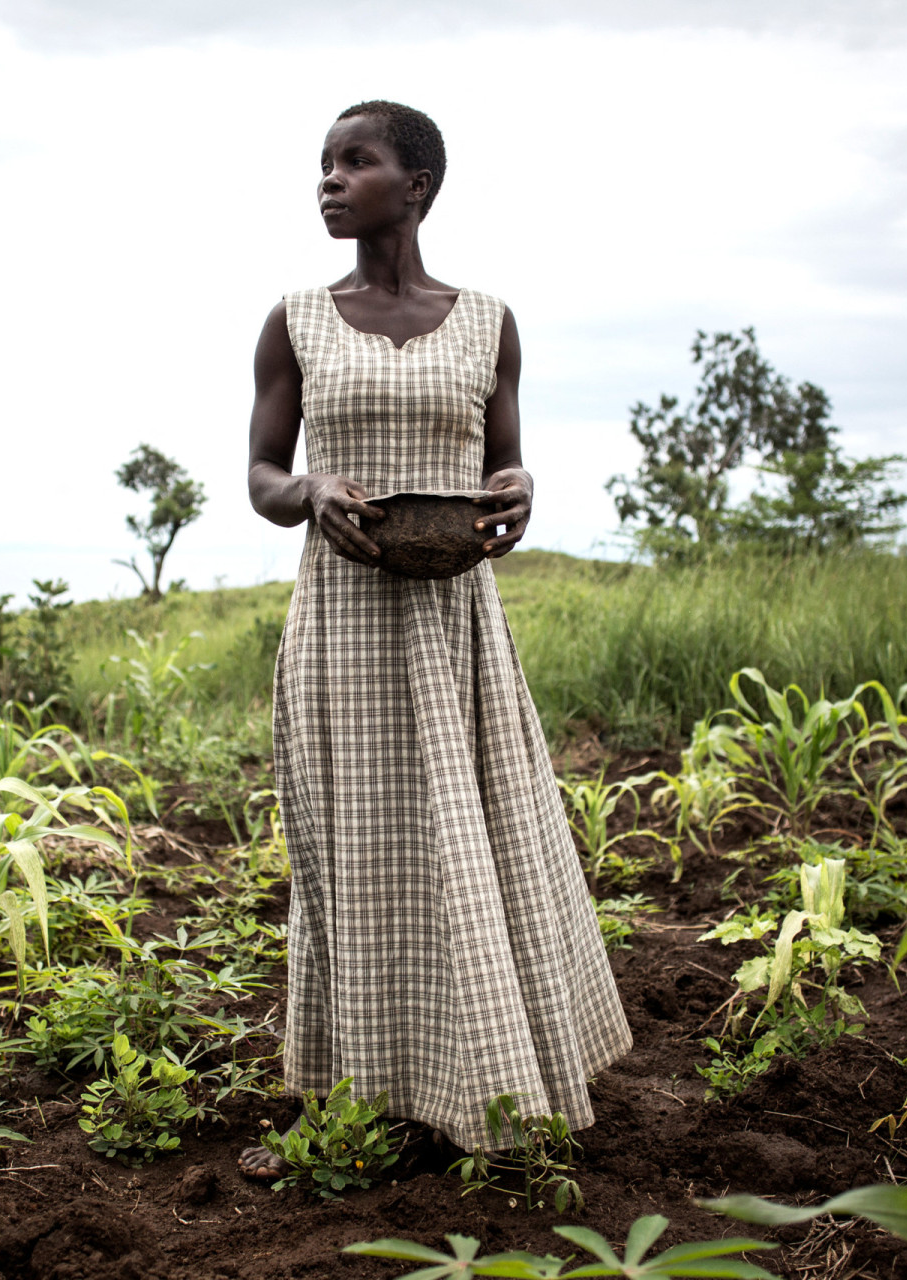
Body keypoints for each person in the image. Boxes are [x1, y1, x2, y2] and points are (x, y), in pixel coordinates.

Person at [239, 100, 631, 1176]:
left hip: (456, 619)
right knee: (364, 853)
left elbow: (505, 466)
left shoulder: (489, 321)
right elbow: (263, 474)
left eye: (353, 161)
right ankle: (370, 1094)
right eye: (321, 164)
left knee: (472, 842)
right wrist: (311, 485)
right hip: (345, 620)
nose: (328, 179)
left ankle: (488, 1082)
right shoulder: (295, 321)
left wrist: (520, 490)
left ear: (416, 185)